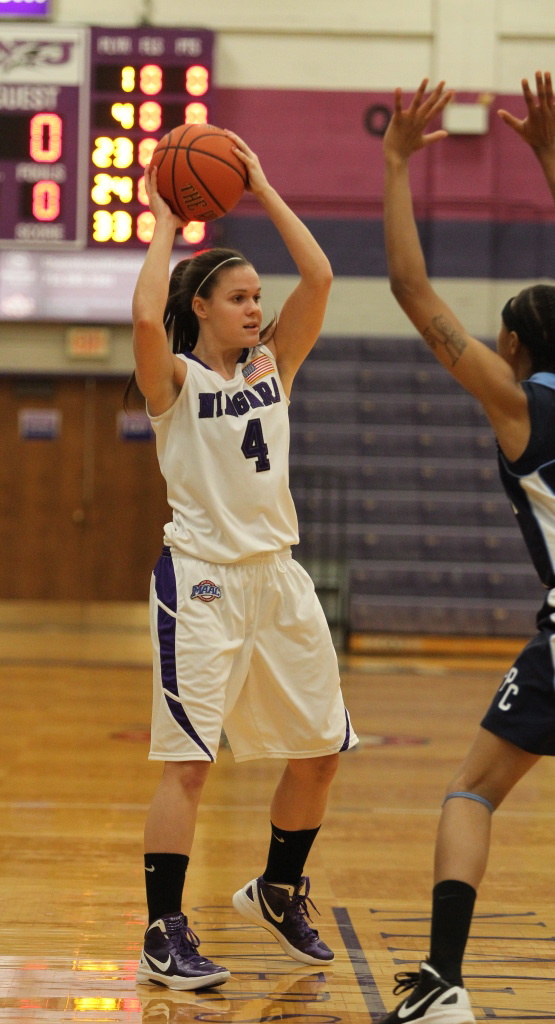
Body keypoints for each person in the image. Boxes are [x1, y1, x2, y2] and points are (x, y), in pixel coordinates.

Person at [131, 130, 357, 991]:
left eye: (258, 296)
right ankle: (162, 932)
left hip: (280, 579)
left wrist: (260, 184)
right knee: (186, 765)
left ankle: (276, 886)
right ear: (204, 309)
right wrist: (161, 220)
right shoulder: (176, 386)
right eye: (237, 298)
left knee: (322, 749)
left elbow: (323, 276)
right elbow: (146, 317)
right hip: (202, 585)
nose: (255, 308)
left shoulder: (274, 365)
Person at [377, 71, 555, 1023]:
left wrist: (398, 162)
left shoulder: (524, 409)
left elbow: (408, 288)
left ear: (517, 347)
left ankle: (444, 983)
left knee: (471, 793)